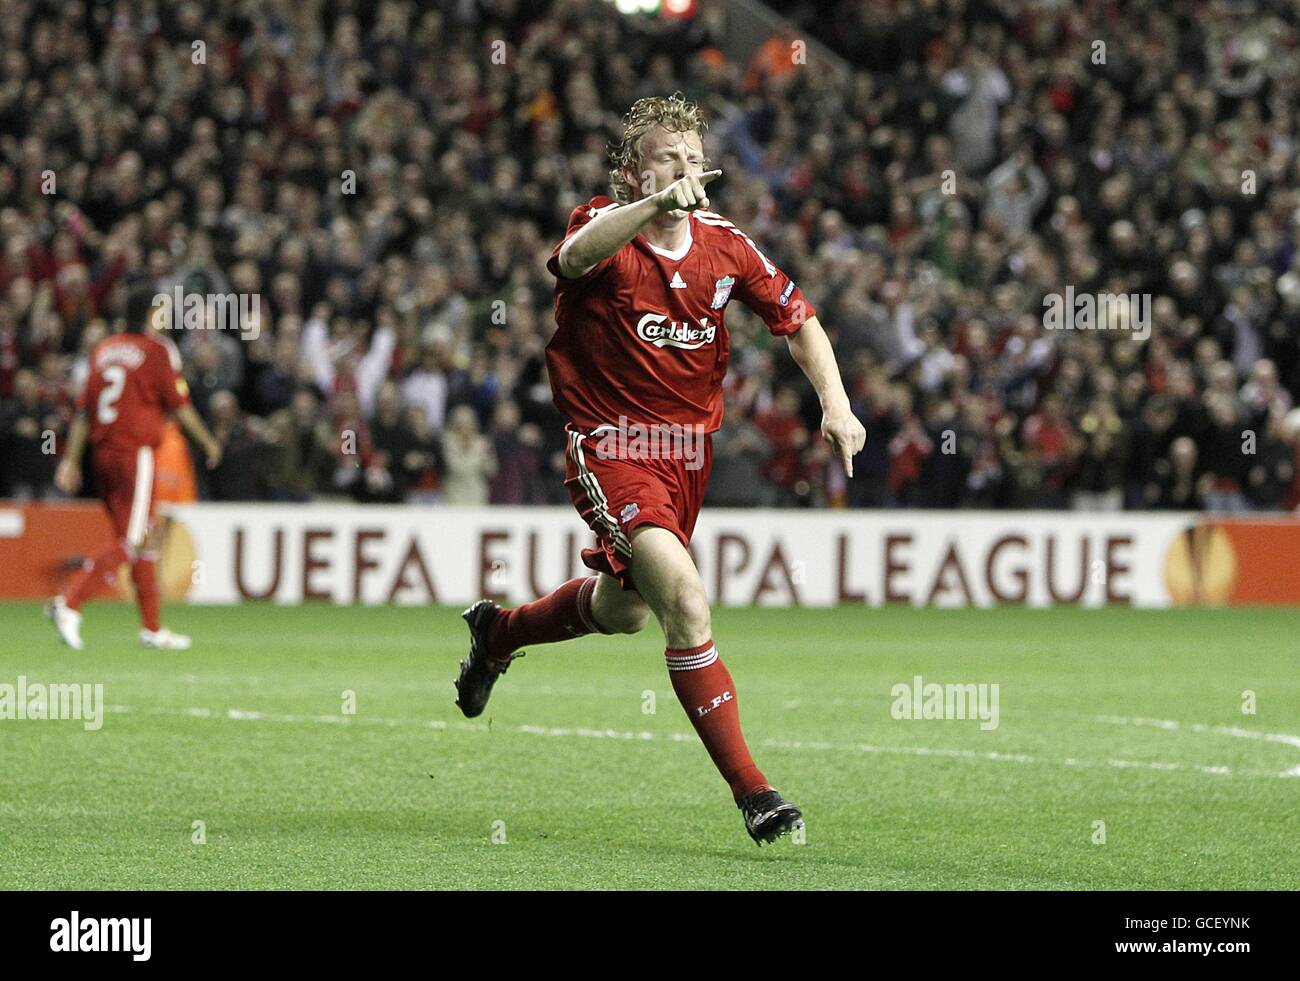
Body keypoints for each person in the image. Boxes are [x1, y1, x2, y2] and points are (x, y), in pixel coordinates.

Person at [453, 94, 866, 845]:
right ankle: (757, 792)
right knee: (685, 597)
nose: (680, 169)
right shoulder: (600, 229)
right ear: (630, 173)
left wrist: (835, 403)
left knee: (627, 610)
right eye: (663, 157)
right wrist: (646, 208)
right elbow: (572, 259)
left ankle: (498, 632)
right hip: (611, 448)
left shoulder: (725, 245)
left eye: (688, 155)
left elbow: (798, 321)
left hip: (687, 462)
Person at [46, 288, 222, 650]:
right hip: (135, 453)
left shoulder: (105, 350)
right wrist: (207, 441)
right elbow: (180, 404)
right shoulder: (158, 350)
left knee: (142, 541)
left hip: (103, 452)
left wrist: (71, 459)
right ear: (151, 312)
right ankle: (70, 603)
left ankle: (153, 629)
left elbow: (84, 411)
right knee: (133, 541)